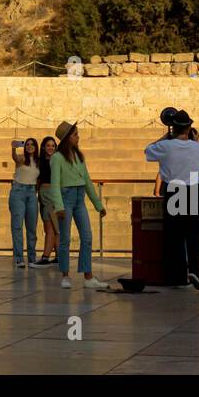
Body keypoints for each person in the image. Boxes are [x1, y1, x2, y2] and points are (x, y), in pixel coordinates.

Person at [145, 108, 199, 290]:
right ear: (189, 127)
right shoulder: (198, 147)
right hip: (192, 191)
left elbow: (148, 151)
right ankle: (194, 271)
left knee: (174, 236)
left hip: (173, 191)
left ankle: (177, 277)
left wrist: (167, 137)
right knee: (195, 234)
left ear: (173, 128)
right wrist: (196, 142)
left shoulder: (165, 146)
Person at [49, 122, 110, 290]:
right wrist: (59, 206)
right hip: (65, 198)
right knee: (65, 239)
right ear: (67, 137)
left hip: (79, 198)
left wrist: (98, 204)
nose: (78, 137)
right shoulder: (57, 158)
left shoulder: (79, 156)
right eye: (75, 134)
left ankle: (88, 276)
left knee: (87, 237)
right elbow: (54, 184)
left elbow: (88, 181)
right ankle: (65, 274)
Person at [8, 137, 40, 268]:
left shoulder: (39, 162)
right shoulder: (21, 158)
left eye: (32, 144)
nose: (30, 146)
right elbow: (14, 157)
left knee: (32, 227)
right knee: (17, 226)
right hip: (18, 192)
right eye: (27, 144)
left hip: (32, 193)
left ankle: (32, 258)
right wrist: (13, 148)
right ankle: (19, 258)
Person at [33, 136, 59, 267]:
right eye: (48, 145)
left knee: (51, 227)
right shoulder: (41, 161)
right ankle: (59, 256)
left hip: (52, 195)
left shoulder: (57, 160)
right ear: (43, 147)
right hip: (43, 196)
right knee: (50, 226)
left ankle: (45, 257)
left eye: (53, 146)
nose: (51, 148)